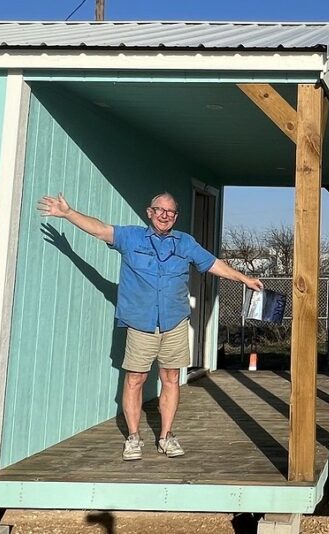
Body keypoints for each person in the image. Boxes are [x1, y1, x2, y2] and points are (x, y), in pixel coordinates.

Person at [37, 191, 264, 462]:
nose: (165, 215)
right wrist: (68, 213)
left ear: (175, 216)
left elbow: (213, 263)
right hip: (140, 322)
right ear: (150, 212)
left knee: (171, 378)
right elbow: (99, 229)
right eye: (160, 210)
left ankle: (166, 436)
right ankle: (133, 438)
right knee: (135, 379)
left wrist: (244, 279)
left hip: (174, 322)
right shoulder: (131, 237)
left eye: (170, 212)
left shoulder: (185, 243)